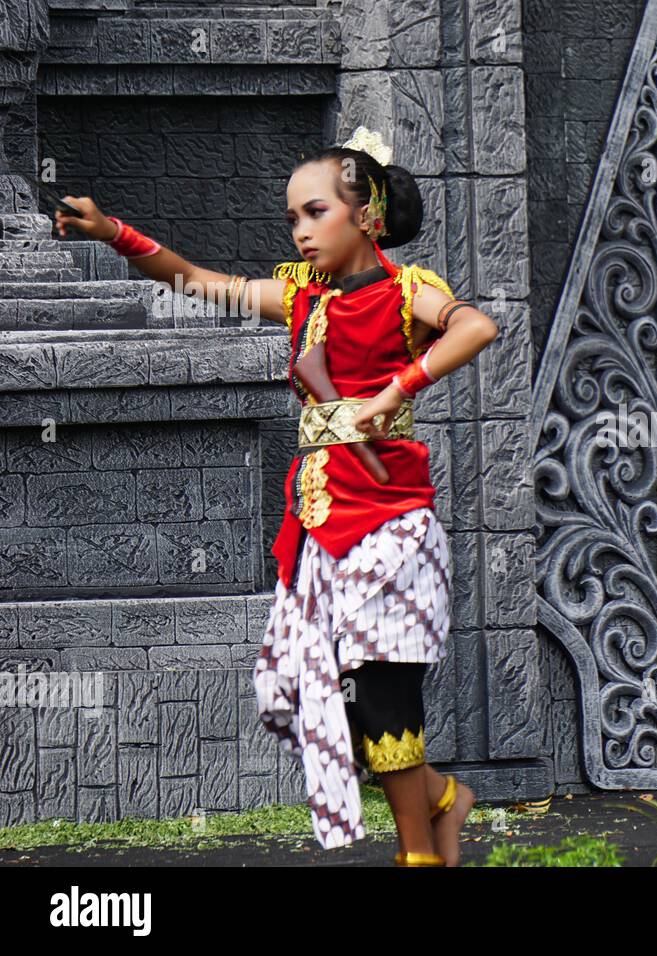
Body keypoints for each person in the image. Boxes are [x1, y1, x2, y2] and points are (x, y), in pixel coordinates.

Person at [54, 125, 498, 866]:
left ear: (367, 214)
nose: (300, 230)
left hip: (388, 524)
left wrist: (396, 390)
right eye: (292, 217)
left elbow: (475, 327)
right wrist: (115, 234)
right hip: (319, 527)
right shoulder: (298, 294)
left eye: (315, 212)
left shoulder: (407, 290)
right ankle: (446, 801)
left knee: (382, 694)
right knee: (306, 695)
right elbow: (202, 283)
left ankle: (420, 855)